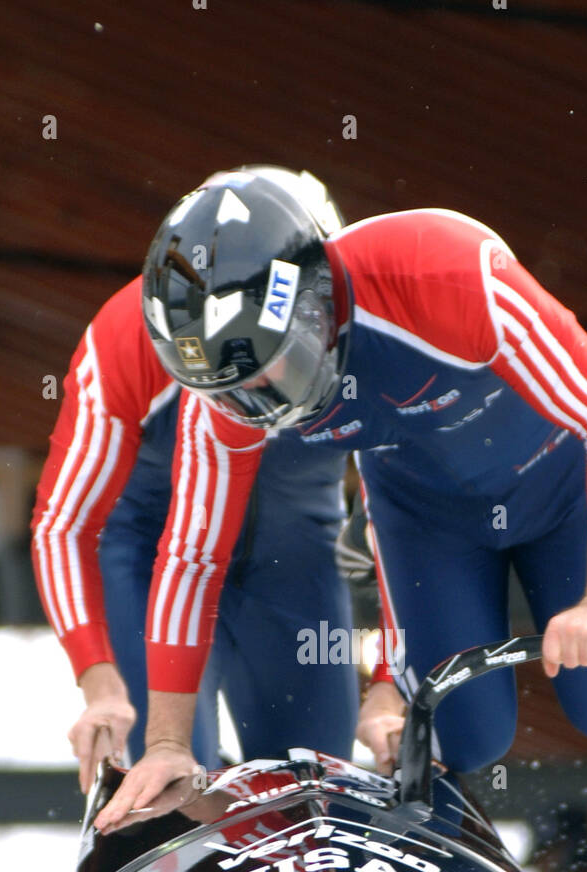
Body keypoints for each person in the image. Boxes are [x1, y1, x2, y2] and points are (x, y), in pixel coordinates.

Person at [94, 169, 587, 834]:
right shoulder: (224, 408)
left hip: (559, 492)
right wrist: (167, 741)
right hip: (426, 521)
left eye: (267, 377)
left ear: (312, 304)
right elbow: (192, 557)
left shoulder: (444, 274)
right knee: (470, 741)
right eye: (230, 393)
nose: (259, 410)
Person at [32, 166, 358, 799]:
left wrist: (389, 690)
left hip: (292, 561)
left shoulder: (361, 325)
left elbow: (399, 516)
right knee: (173, 791)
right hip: (153, 559)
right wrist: (100, 682)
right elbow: (65, 523)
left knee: (313, 792)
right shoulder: (123, 338)